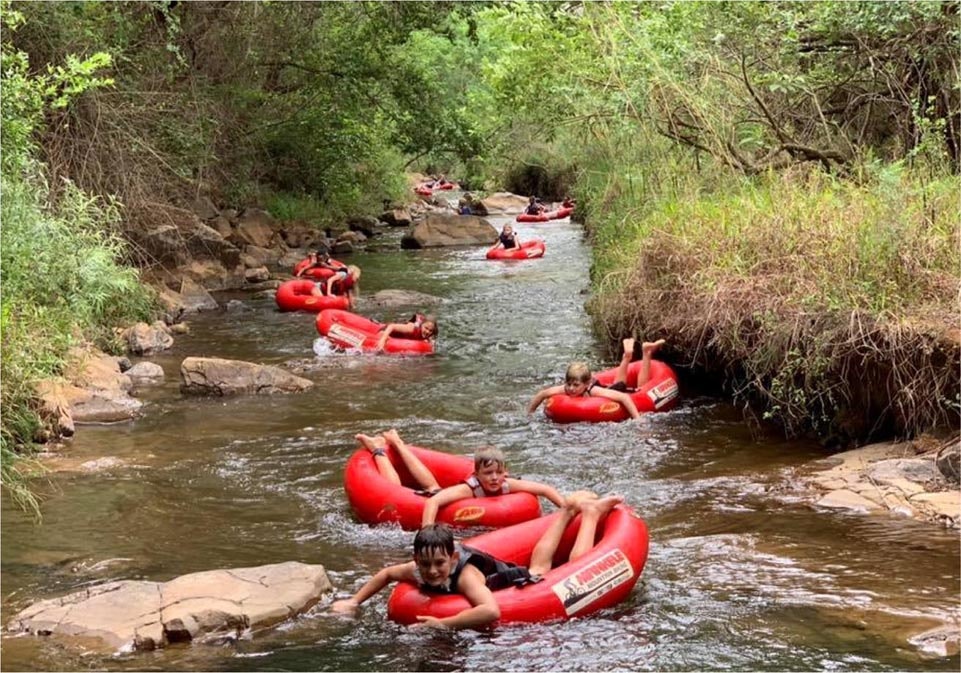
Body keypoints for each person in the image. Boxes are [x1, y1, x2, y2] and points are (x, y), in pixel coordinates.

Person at [329, 491, 624, 629]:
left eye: (439, 564)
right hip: (495, 569)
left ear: (453, 557)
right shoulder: (415, 570)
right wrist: (354, 602)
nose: (432, 572)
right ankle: (567, 512)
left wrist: (445, 624)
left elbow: (490, 611)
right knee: (540, 565)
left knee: (540, 570)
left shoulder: (466, 576)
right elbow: (385, 575)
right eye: (425, 565)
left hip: (510, 580)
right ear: (416, 560)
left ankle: (589, 516)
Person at [353, 430, 564, 526]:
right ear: (476, 475)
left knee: (432, 484)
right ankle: (379, 450)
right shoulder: (469, 488)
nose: (494, 478)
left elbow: (544, 489)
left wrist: (565, 507)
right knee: (401, 488)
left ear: (505, 473)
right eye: (488, 473)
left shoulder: (507, 484)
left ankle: (397, 443)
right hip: (441, 498)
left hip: (441, 493)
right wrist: (427, 532)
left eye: (498, 473)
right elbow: (434, 501)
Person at [527, 338, 666, 420]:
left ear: (586, 384)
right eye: (569, 384)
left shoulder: (594, 390)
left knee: (622, 385)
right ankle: (628, 356)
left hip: (609, 391)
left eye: (576, 385)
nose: (571, 388)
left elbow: (624, 398)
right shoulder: (565, 389)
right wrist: (530, 413)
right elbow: (542, 394)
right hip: (598, 389)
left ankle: (644, 354)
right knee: (620, 383)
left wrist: (638, 420)